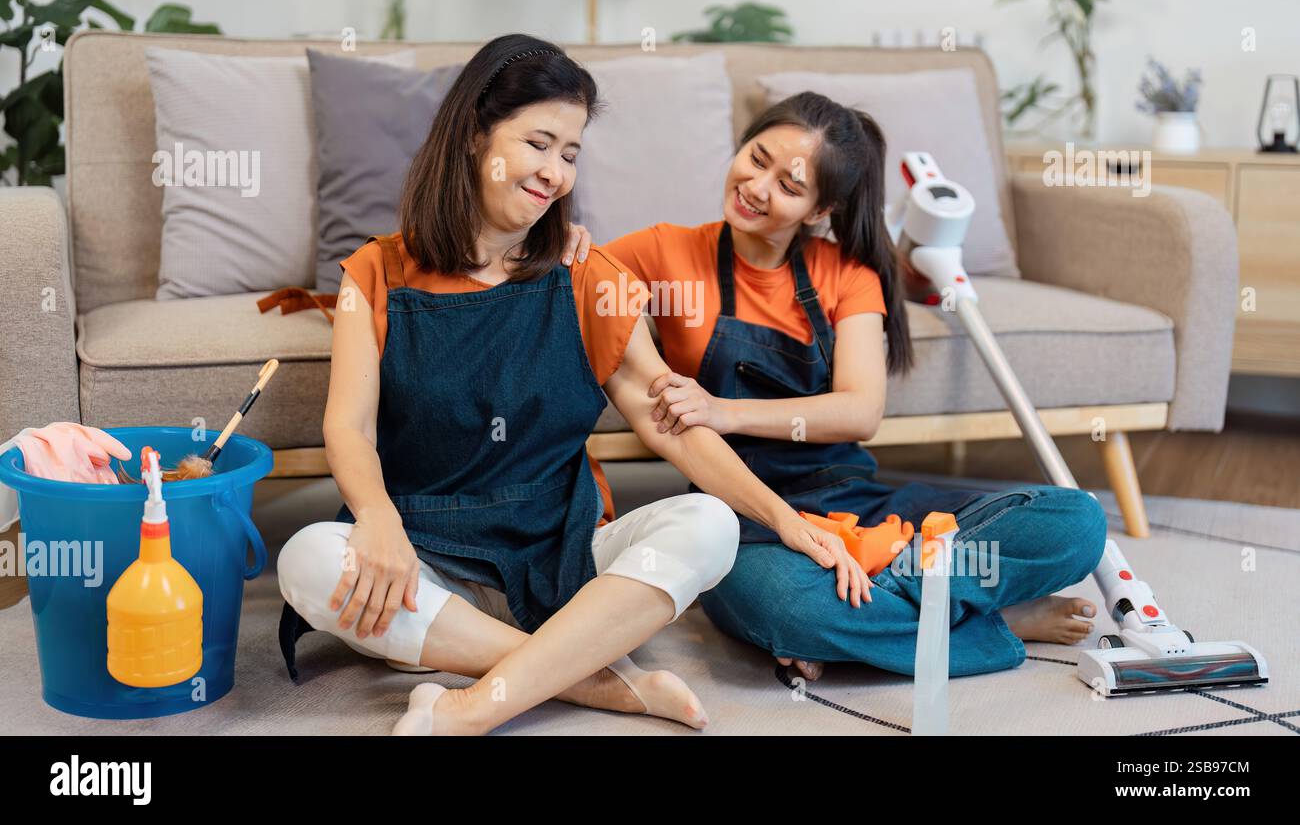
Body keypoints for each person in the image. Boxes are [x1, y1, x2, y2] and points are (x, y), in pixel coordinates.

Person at [275, 36, 868, 735]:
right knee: (307, 559)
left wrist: (782, 518)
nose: (555, 173)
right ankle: (590, 680)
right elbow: (348, 427)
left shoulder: (590, 276)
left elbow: (665, 418)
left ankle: (470, 702)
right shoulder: (373, 273)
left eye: (571, 153)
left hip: (559, 557)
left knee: (708, 524)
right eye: (539, 143)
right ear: (473, 135)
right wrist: (374, 518)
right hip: (420, 554)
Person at [603, 90, 1108, 681]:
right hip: (742, 518)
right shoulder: (665, 251)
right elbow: (580, 283)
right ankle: (987, 616)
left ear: (820, 210)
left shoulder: (848, 275)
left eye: (790, 186)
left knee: (1077, 522)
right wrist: (563, 241)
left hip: (860, 503)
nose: (758, 186)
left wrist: (724, 412)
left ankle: (874, 604)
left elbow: (859, 412)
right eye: (756, 158)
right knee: (788, 608)